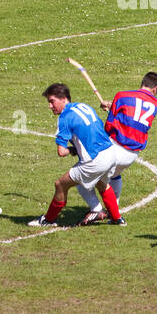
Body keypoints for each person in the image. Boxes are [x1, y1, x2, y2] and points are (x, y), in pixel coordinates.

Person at [30, 82, 126, 227]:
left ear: (63, 99)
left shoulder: (64, 118)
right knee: (102, 183)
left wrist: (72, 150)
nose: (50, 106)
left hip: (95, 160)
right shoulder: (83, 105)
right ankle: (117, 219)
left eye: (52, 101)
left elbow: (61, 152)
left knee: (60, 185)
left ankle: (49, 220)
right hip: (111, 153)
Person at [80, 72, 157, 224]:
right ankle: (115, 209)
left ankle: (97, 209)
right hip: (132, 155)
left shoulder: (122, 95)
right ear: (155, 88)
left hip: (115, 148)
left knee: (81, 178)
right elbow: (134, 111)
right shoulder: (155, 104)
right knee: (114, 176)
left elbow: (109, 125)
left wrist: (113, 109)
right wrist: (113, 106)